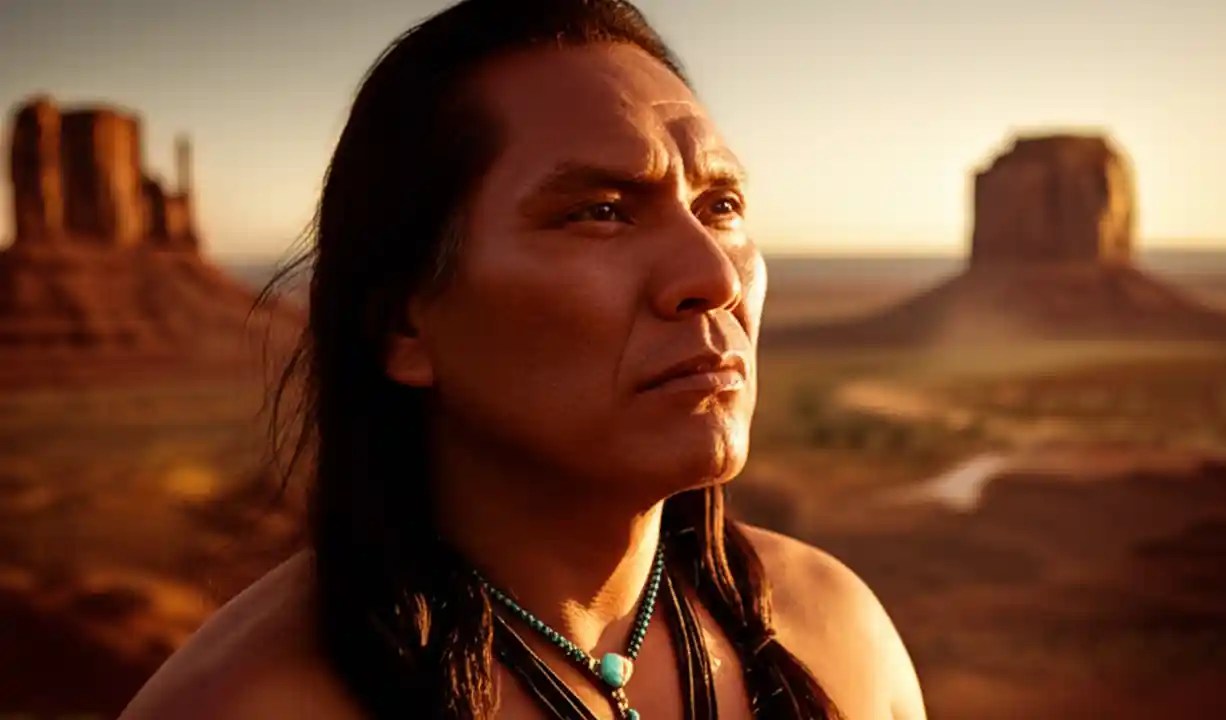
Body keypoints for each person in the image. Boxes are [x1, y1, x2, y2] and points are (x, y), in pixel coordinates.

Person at [119, 1, 927, 717]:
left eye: (721, 206)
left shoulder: (836, 639)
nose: (714, 278)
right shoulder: (247, 703)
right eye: (601, 212)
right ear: (404, 325)